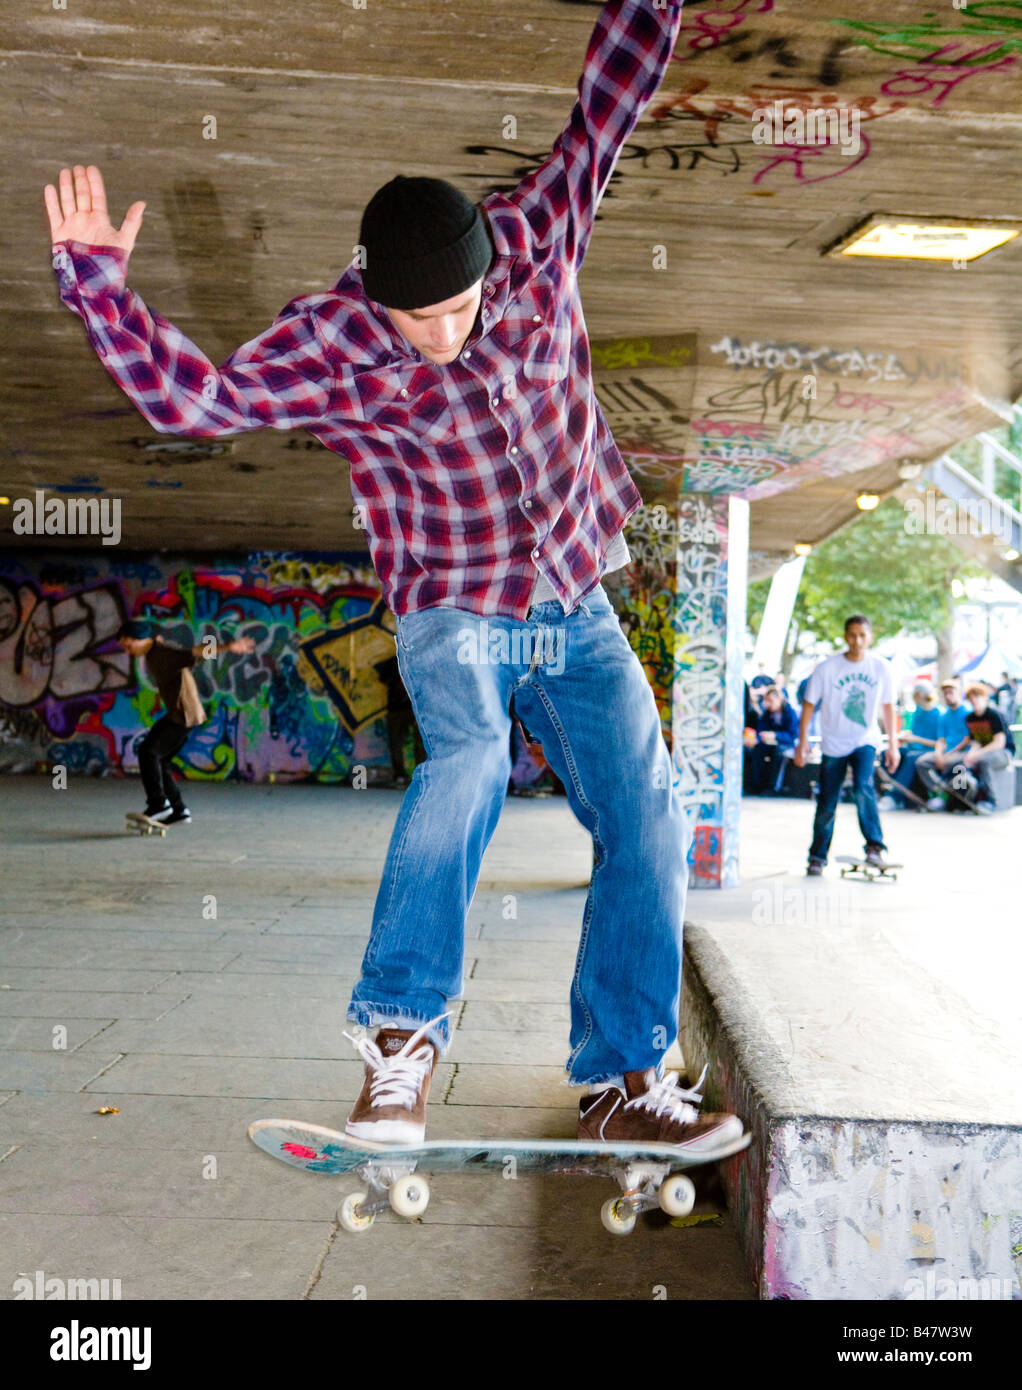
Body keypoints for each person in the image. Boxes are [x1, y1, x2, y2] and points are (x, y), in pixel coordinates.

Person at [48, 1, 742, 1154]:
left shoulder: (539, 235)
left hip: (569, 589)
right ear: (370, 291)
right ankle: (398, 1047)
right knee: (466, 762)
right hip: (449, 601)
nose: (435, 336)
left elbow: (604, 112)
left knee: (647, 810)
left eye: (457, 312)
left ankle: (623, 1073)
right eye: (410, 318)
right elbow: (200, 403)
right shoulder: (329, 338)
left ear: (491, 266)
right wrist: (100, 292)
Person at [116, 620, 255, 822]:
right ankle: (179, 810)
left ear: (142, 639)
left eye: (129, 646)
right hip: (182, 714)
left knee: (148, 752)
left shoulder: (162, 652)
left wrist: (228, 647)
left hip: (183, 715)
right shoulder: (156, 651)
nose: (128, 652)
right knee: (159, 759)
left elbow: (196, 652)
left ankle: (158, 805)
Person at [793, 616, 899, 875]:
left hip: (865, 739)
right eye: (852, 635)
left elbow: (888, 708)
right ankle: (817, 856)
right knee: (828, 800)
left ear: (870, 637)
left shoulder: (881, 667)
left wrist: (893, 745)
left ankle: (875, 847)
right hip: (833, 742)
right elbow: (809, 705)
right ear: (845, 636)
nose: (857, 641)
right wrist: (803, 741)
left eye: (863, 635)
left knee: (864, 787)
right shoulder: (827, 668)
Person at [951, 683, 1016, 812]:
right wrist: (970, 755)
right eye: (971, 697)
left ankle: (991, 800)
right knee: (960, 764)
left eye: (978, 696)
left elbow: (999, 743)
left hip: (1003, 753)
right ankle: (961, 800)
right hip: (983, 751)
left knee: (984, 761)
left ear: (984, 697)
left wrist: (977, 754)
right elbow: (976, 742)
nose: (975, 700)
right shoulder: (971, 718)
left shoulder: (994, 715)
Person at [878, 680, 940, 810]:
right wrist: (906, 735)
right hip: (913, 747)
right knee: (886, 754)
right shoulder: (917, 711)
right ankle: (895, 787)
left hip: (928, 750)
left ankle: (894, 796)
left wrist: (916, 739)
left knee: (911, 757)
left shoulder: (938, 713)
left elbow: (939, 743)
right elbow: (915, 732)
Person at [915, 677, 971, 810]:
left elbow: (967, 739)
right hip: (946, 752)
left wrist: (947, 755)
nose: (948, 696)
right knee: (921, 762)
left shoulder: (967, 712)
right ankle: (939, 789)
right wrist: (938, 754)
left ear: (958, 693)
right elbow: (941, 739)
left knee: (957, 765)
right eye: (945, 693)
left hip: (961, 752)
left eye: (951, 692)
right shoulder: (944, 715)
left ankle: (958, 800)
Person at [748, 685, 799, 794]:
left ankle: (773, 787)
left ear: (779, 699)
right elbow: (760, 731)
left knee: (779, 753)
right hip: (769, 744)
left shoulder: (790, 713)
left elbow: (793, 735)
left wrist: (776, 735)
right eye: (766, 701)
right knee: (757, 750)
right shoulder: (767, 714)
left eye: (770, 700)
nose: (768, 704)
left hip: (786, 745)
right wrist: (759, 738)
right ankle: (756, 785)